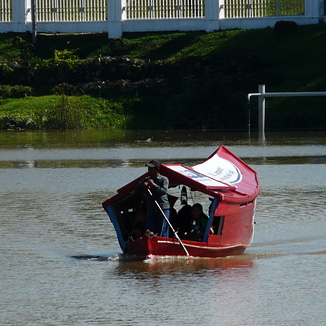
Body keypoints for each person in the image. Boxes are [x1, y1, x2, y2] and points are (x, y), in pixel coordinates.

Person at [134, 159, 170, 237]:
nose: (149, 170)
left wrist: (154, 185)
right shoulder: (146, 179)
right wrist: (143, 186)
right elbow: (136, 189)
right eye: (148, 168)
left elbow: (163, 191)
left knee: (161, 230)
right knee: (150, 231)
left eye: (151, 168)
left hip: (162, 207)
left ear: (156, 169)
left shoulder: (163, 179)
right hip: (151, 208)